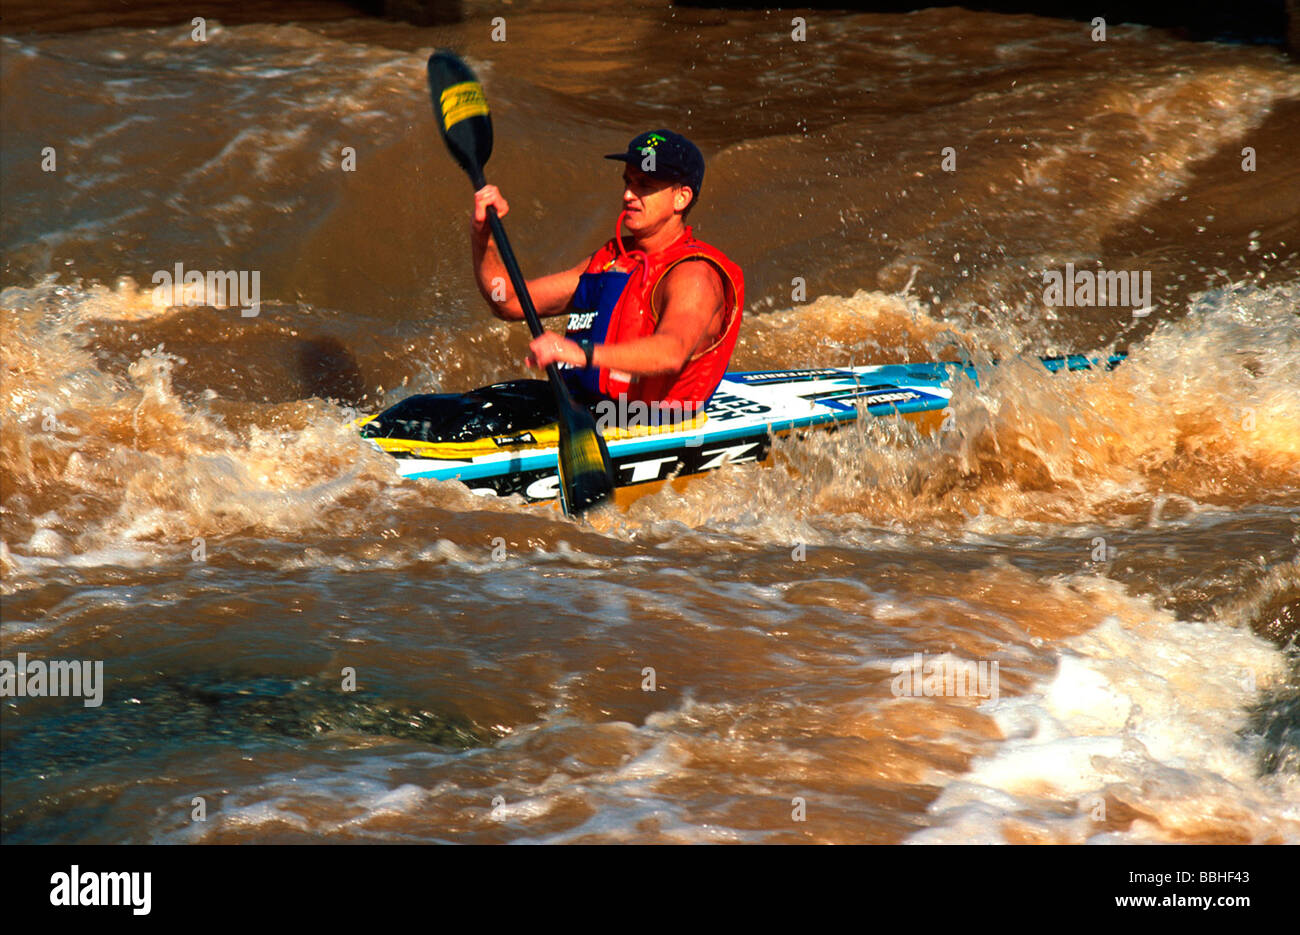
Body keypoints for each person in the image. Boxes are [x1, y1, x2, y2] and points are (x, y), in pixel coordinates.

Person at [470, 129, 744, 427]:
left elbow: (671, 351)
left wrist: (581, 352)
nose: (628, 195)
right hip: (585, 406)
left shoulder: (694, 275)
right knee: (457, 409)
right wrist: (484, 237)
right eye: (628, 181)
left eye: (644, 185)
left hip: (648, 421)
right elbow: (507, 301)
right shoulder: (611, 259)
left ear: (681, 198)